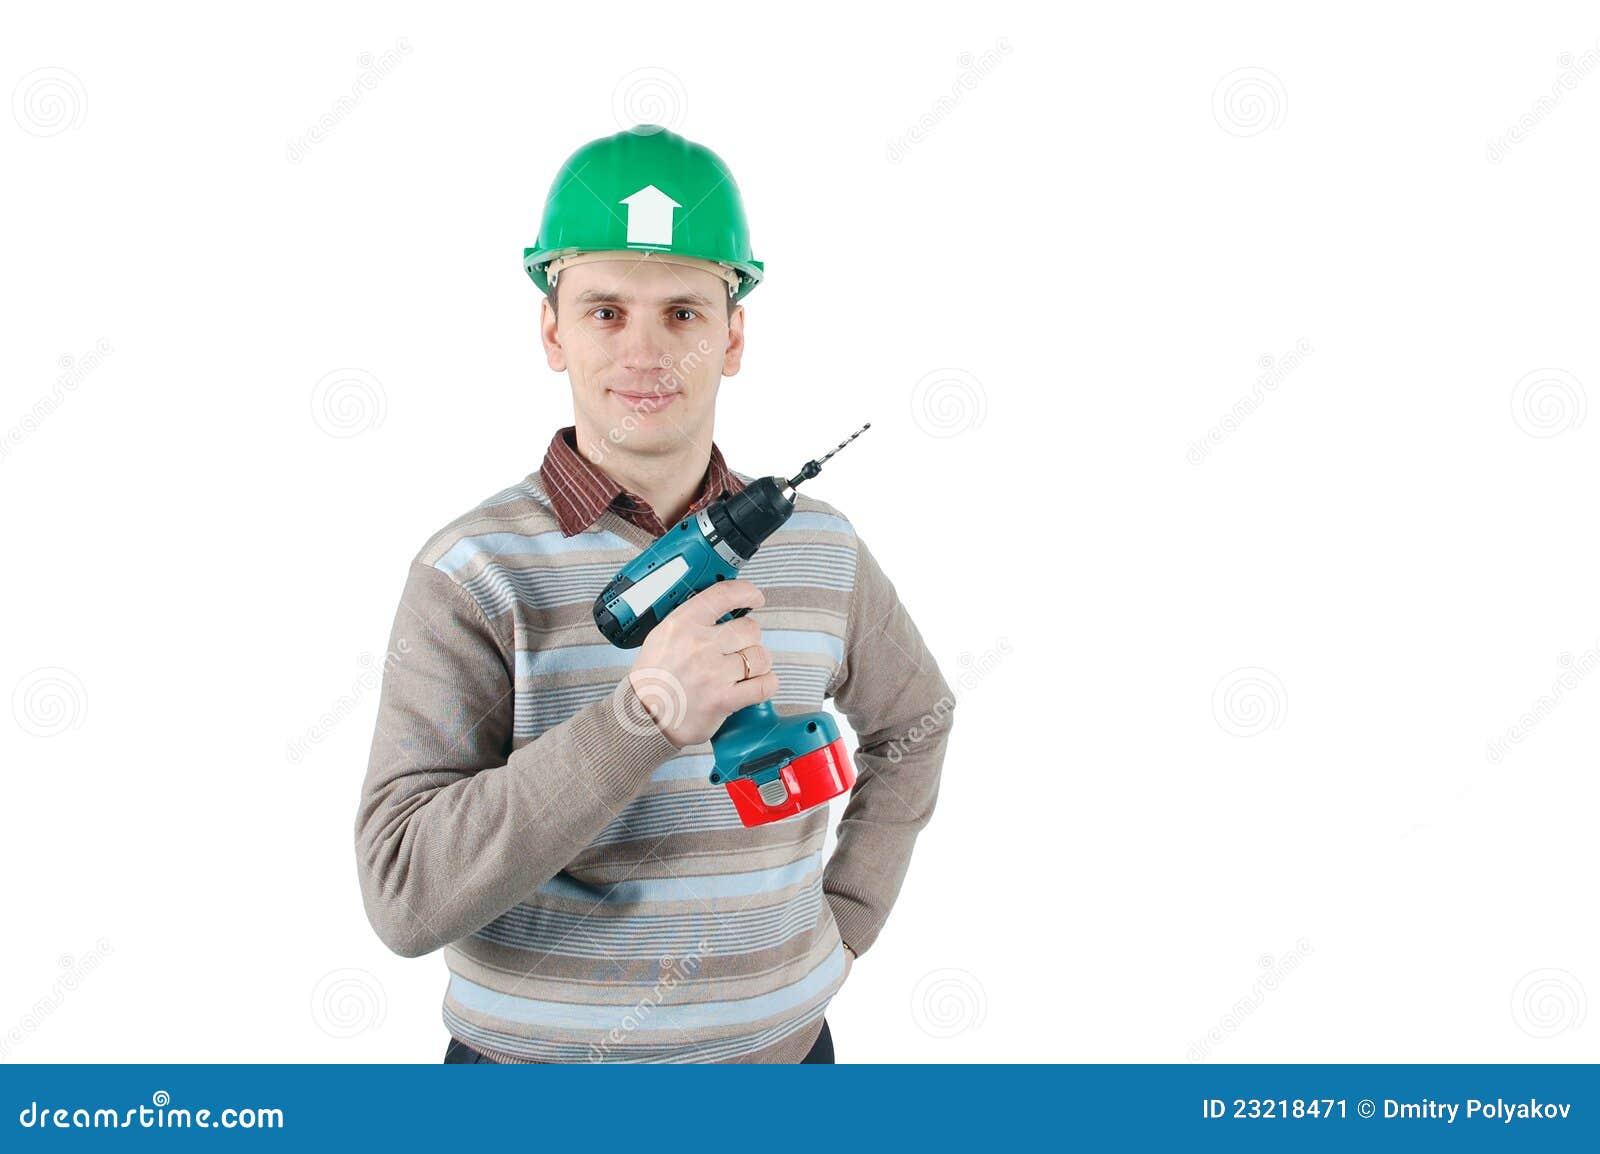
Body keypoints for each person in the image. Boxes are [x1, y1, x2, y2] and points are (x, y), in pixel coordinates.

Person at [352, 125, 955, 1063]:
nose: (644, 351)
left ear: (734, 335)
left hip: (787, 1070)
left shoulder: (824, 549)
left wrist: (844, 925)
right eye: (604, 311)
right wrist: (643, 717)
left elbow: (918, 720)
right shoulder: (472, 572)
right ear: (551, 330)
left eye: (682, 312)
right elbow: (402, 894)